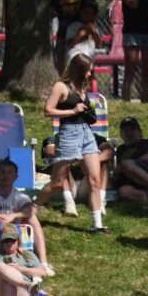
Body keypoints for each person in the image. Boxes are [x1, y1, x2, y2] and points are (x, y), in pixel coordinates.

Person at [41, 51, 110, 231]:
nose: (89, 74)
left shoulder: (82, 86)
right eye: (87, 71)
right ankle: (31, 209)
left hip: (87, 133)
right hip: (69, 133)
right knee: (57, 181)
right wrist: (72, 111)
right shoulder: (61, 86)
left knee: (94, 180)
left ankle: (97, 225)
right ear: (78, 69)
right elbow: (48, 110)